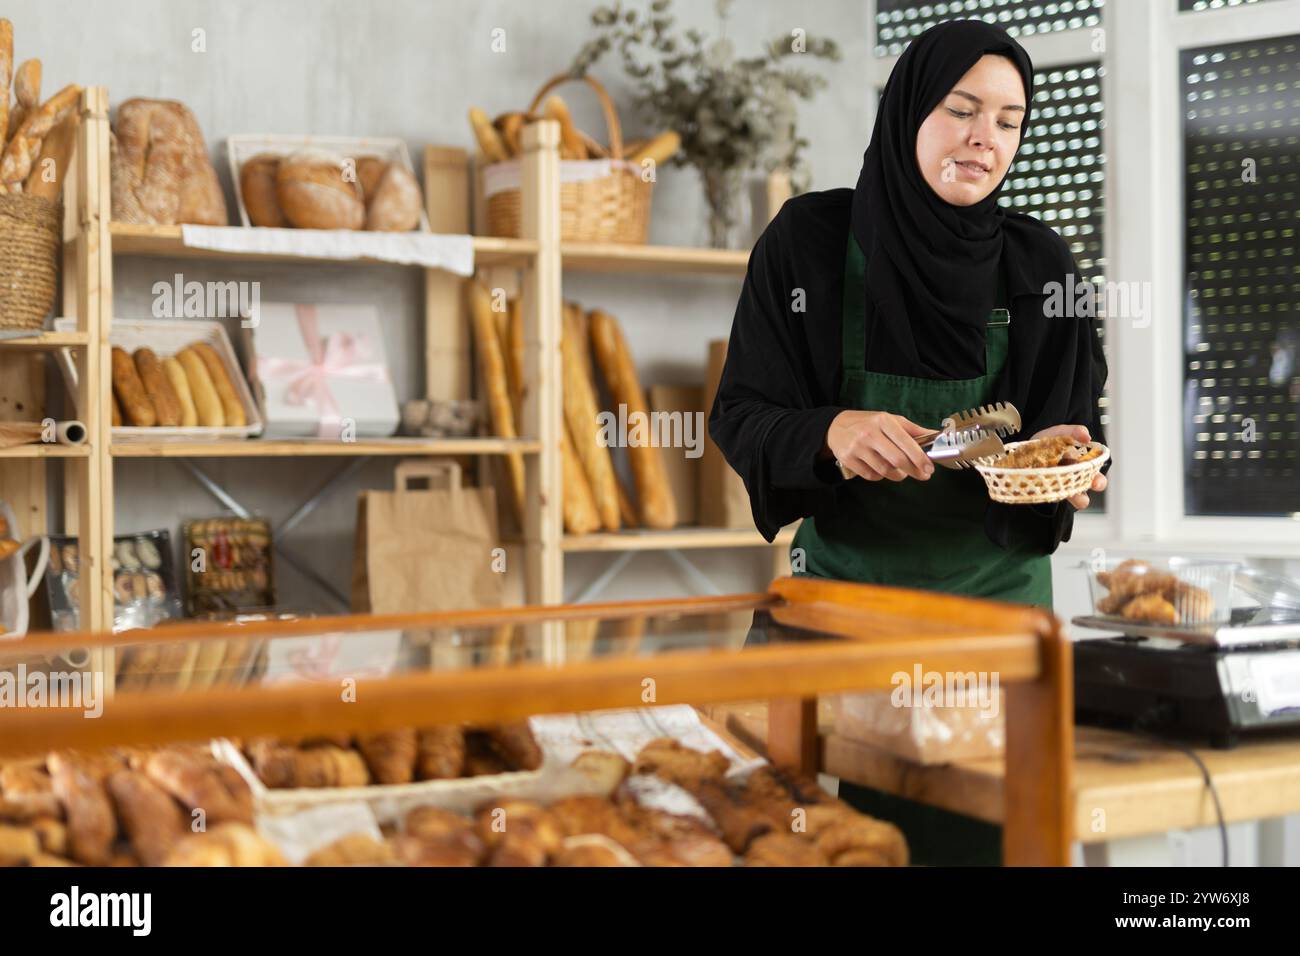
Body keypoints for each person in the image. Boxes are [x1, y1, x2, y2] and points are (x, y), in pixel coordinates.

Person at [710, 19, 1109, 865]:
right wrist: (829, 431)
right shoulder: (808, 245)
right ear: (908, 112)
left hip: (995, 629)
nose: (983, 138)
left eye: (1008, 121)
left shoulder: (1043, 268)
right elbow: (740, 413)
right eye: (961, 109)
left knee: (991, 840)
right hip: (842, 621)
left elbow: (1071, 430)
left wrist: (1070, 463)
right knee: (825, 840)